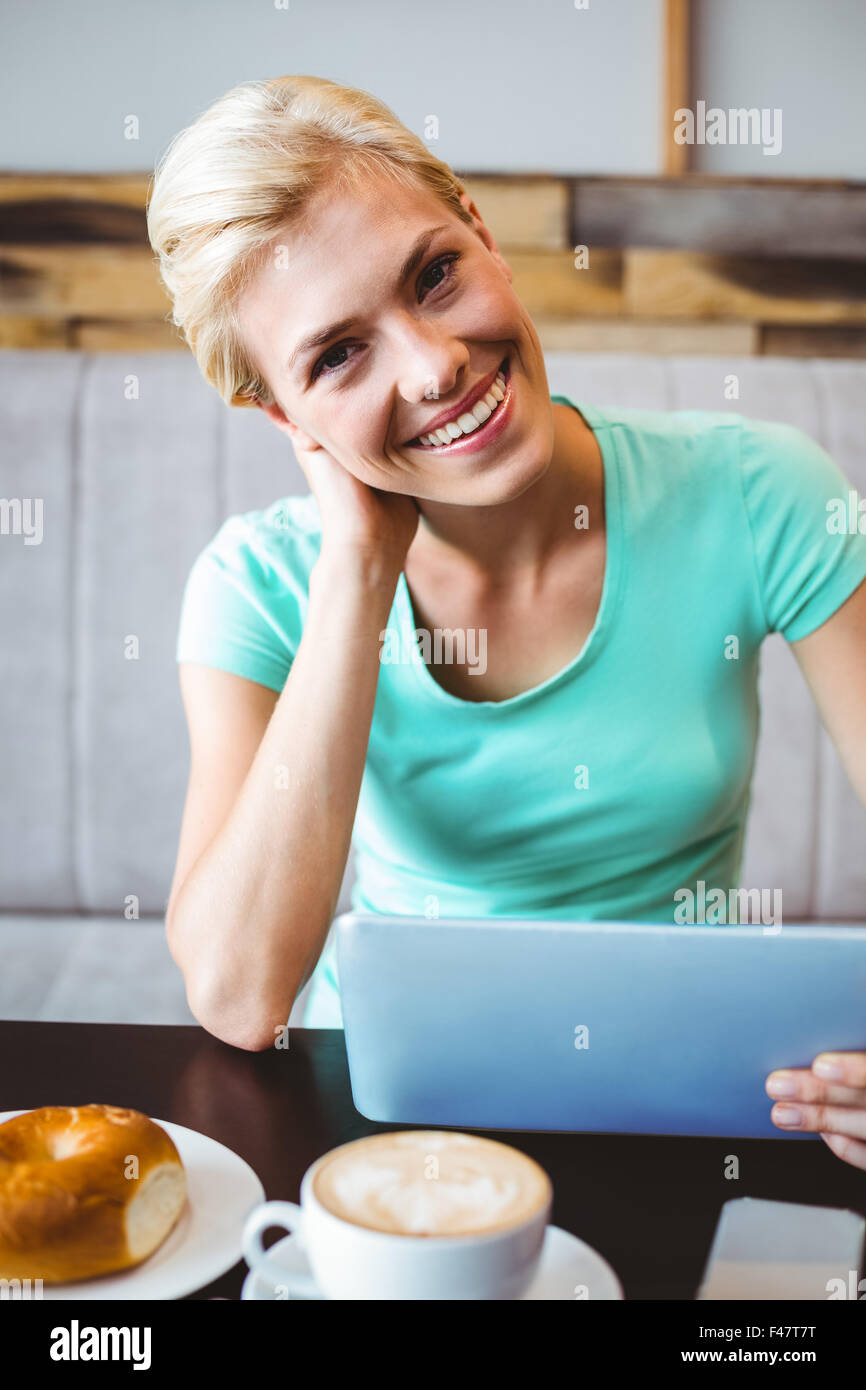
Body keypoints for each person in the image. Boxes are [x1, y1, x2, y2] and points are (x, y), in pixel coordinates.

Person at [148, 74, 866, 1169]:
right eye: (338, 354)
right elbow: (242, 995)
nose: (434, 364)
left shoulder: (755, 489)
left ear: (483, 238)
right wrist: (356, 568)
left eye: (435, 276)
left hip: (695, 1092)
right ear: (282, 416)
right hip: (382, 1114)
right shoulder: (255, 583)